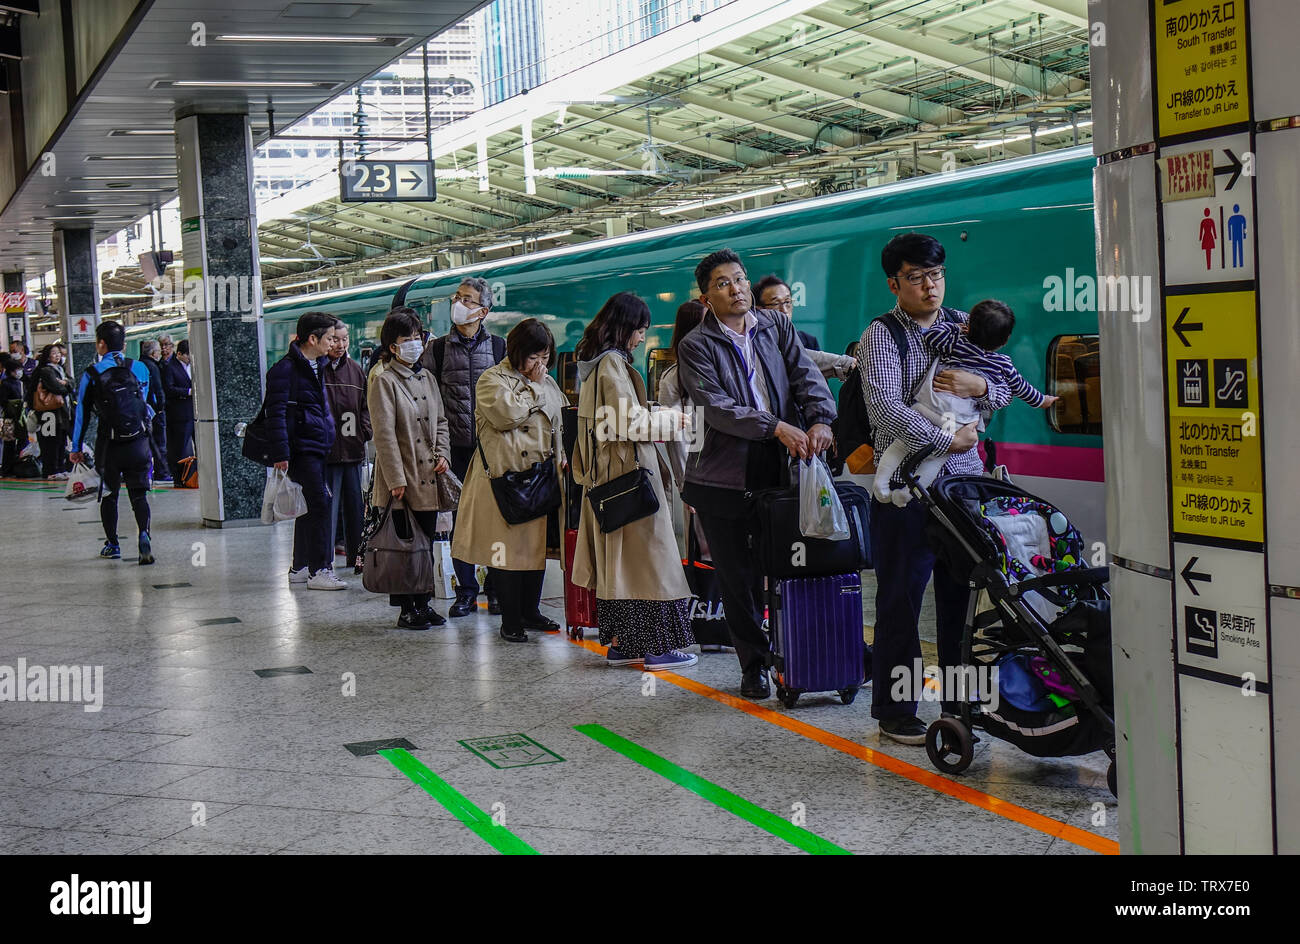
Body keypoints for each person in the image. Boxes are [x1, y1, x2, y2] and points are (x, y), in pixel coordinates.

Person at [860, 233, 1012, 744]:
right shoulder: (881, 335)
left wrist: (983, 389)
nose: (931, 286)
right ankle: (895, 710)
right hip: (906, 490)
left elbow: (1007, 384)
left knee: (960, 598)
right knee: (901, 598)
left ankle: (958, 704)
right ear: (894, 283)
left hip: (963, 489)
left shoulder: (963, 324)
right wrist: (949, 438)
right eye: (917, 277)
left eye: (937, 275)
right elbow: (884, 409)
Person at [676, 248, 837, 698]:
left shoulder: (776, 326)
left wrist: (821, 417)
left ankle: (799, 652)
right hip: (722, 477)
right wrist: (776, 426)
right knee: (737, 576)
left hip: (781, 470)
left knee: (791, 566)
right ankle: (754, 664)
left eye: (740, 279)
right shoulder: (696, 346)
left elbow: (806, 376)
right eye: (723, 283)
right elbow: (718, 409)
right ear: (707, 298)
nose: (736, 288)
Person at [569, 293, 697, 670]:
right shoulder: (611, 365)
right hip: (630, 476)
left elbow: (610, 419)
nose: (642, 338)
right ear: (624, 328)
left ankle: (625, 644)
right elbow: (629, 424)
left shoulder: (594, 366)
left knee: (622, 566)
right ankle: (657, 648)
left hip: (610, 477)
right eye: (640, 330)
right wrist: (672, 420)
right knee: (651, 563)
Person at [872, 298, 1058, 506]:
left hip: (926, 407)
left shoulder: (955, 341)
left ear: (968, 326)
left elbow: (931, 337)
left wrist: (957, 332)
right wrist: (1042, 400)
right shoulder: (1003, 364)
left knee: (901, 443)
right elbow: (1020, 389)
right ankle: (906, 494)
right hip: (952, 420)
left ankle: (880, 483)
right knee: (936, 457)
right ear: (1005, 340)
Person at [452, 319, 565, 643]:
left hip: (540, 477)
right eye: (533, 357)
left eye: (545, 358)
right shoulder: (492, 380)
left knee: (535, 551)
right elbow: (507, 415)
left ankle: (531, 611)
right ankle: (510, 619)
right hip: (505, 480)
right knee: (507, 554)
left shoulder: (548, 382)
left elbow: (560, 418)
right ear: (517, 352)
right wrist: (536, 390)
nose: (539, 365)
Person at [418, 277, 507, 619]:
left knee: (497, 520)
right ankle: (466, 590)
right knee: (460, 523)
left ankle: (497, 588)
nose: (459, 303)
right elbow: (426, 401)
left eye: (467, 299)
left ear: (483, 311)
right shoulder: (437, 350)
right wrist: (435, 449)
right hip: (455, 450)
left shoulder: (499, 349)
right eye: (457, 297)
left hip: (492, 450)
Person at [367, 309, 452, 628]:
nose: (415, 344)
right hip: (401, 478)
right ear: (392, 347)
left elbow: (441, 421)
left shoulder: (427, 378)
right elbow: (384, 435)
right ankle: (407, 609)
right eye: (407, 340)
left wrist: (443, 454)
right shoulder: (384, 381)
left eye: (418, 338)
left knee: (425, 541)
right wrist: (395, 480)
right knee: (404, 543)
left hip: (429, 474)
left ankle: (424, 601)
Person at [264, 312, 344, 591]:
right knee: (320, 504)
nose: (334, 343)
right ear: (312, 339)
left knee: (309, 506)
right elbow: (274, 415)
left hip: (316, 444)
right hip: (300, 448)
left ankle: (300, 567)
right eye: (330, 338)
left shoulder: (317, 365)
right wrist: (281, 454)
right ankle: (320, 570)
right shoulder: (284, 370)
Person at [68, 321, 155, 565]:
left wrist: (76, 448)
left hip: (109, 444)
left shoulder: (92, 373)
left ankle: (113, 544)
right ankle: (144, 534)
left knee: (109, 495)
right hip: (138, 442)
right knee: (139, 495)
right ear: (124, 345)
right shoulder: (139, 368)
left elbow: (82, 415)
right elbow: (146, 404)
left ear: (101, 344)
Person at [323, 321, 372, 574]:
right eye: (335, 339)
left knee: (356, 509)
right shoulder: (318, 370)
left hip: (353, 449)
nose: (340, 345)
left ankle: (358, 558)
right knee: (327, 511)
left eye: (344, 339)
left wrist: (365, 430)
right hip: (327, 453)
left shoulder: (355, 370)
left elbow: (365, 405)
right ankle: (324, 563)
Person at [754, 274, 857, 380]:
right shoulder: (753, 343)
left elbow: (819, 385)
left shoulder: (807, 341)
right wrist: (843, 363)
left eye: (787, 302)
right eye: (776, 303)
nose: (784, 310)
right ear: (759, 310)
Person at [656, 300, 706, 491]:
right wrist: (687, 484)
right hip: (697, 482)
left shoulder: (715, 369)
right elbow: (677, 439)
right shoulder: (672, 378)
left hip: (723, 478)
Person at [27, 344, 74, 479]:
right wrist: (66, 385)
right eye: (54, 353)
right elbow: (58, 389)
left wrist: (65, 383)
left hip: (60, 412)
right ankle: (51, 470)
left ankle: (59, 468)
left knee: (60, 441)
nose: (57, 355)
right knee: (50, 442)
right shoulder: (46, 371)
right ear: (47, 356)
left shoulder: (60, 369)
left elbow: (71, 383)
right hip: (49, 413)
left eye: (59, 353)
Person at [161, 339, 194, 482]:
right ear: (179, 354)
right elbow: (169, 389)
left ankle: (194, 475)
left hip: (193, 413)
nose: (190, 358)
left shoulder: (192, 367)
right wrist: (187, 391)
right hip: (179, 414)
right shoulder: (170, 367)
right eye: (188, 355)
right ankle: (179, 477)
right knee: (179, 447)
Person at [139, 340, 170, 482]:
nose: (160, 353)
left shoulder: (139, 365)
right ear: (153, 353)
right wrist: (160, 408)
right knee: (160, 443)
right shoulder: (152, 367)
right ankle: (162, 472)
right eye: (158, 351)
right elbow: (157, 390)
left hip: (142, 411)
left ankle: (149, 472)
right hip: (154, 412)